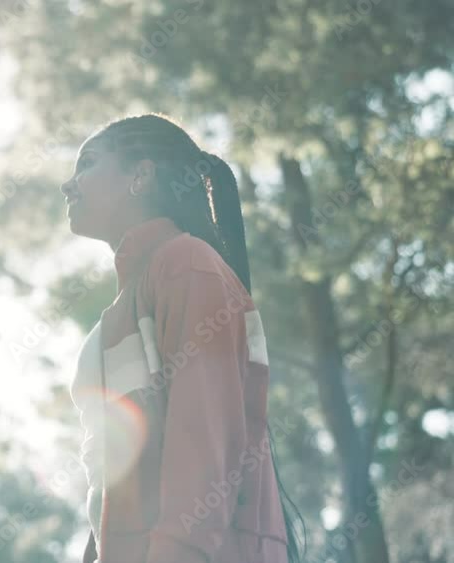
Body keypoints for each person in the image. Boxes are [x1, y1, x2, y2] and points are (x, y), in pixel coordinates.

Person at [60, 113, 304, 563]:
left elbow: (204, 438)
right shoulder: (118, 313)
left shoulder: (187, 264)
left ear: (141, 176)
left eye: (88, 163)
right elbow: (111, 478)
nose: (68, 185)